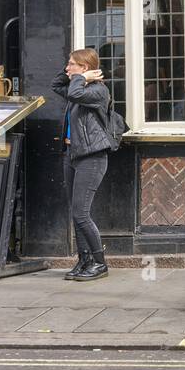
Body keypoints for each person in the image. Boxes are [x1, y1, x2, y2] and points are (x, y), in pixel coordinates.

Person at [52, 48, 112, 281]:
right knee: (76, 214)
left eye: (71, 65)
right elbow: (56, 85)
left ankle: (99, 263)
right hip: (72, 154)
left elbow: (75, 94)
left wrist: (81, 78)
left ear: (85, 69)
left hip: (92, 157)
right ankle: (84, 259)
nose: (67, 69)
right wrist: (73, 73)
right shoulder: (77, 86)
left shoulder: (97, 90)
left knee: (81, 213)